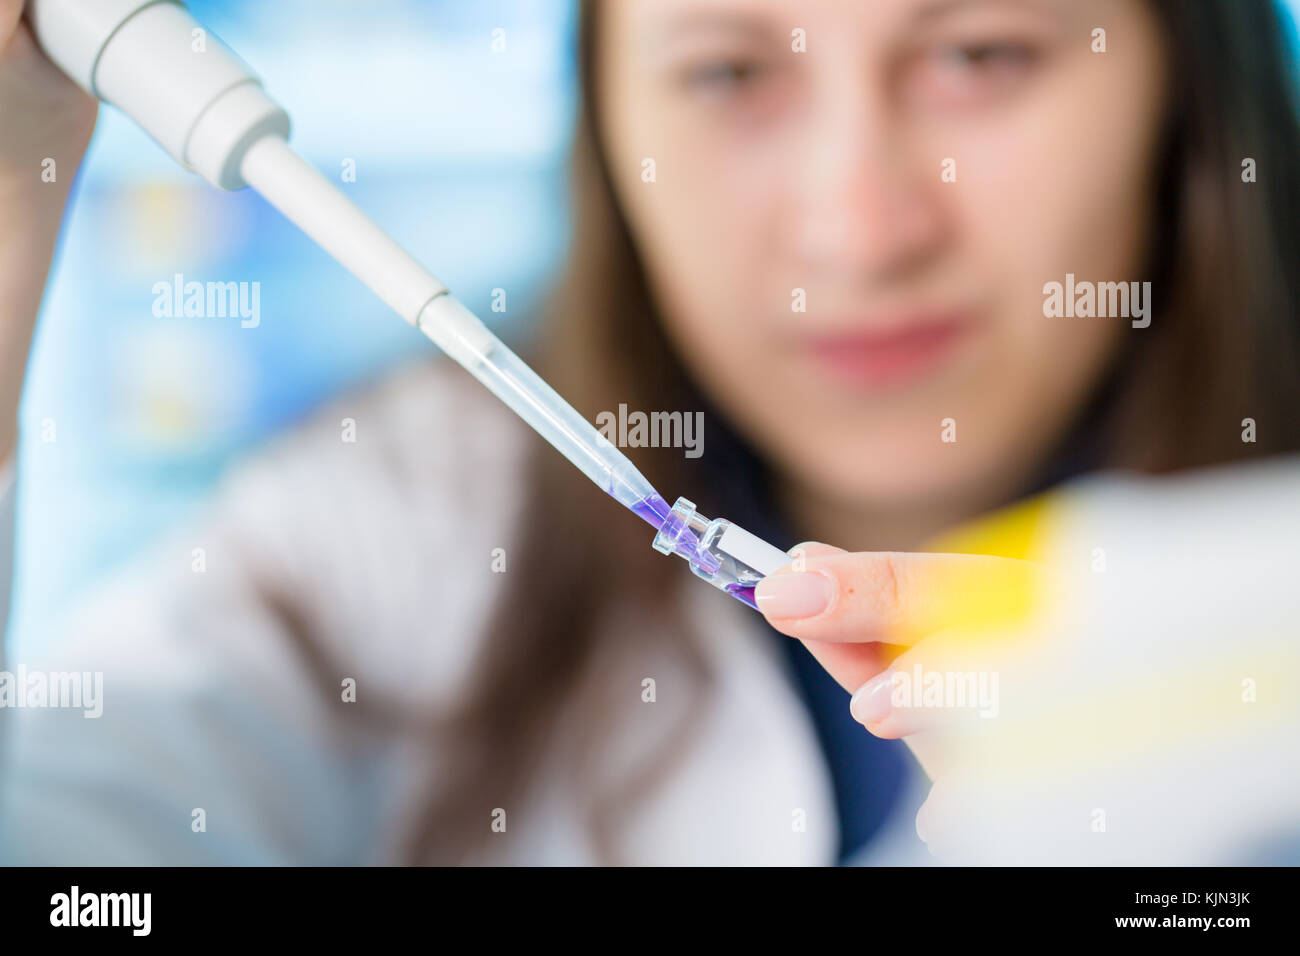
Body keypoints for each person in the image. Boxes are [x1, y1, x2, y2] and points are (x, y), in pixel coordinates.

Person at [1, 0, 1297, 865]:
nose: (858, 229)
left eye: (980, 56)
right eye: (730, 73)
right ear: (607, 124)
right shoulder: (391, 529)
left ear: (1189, 81)